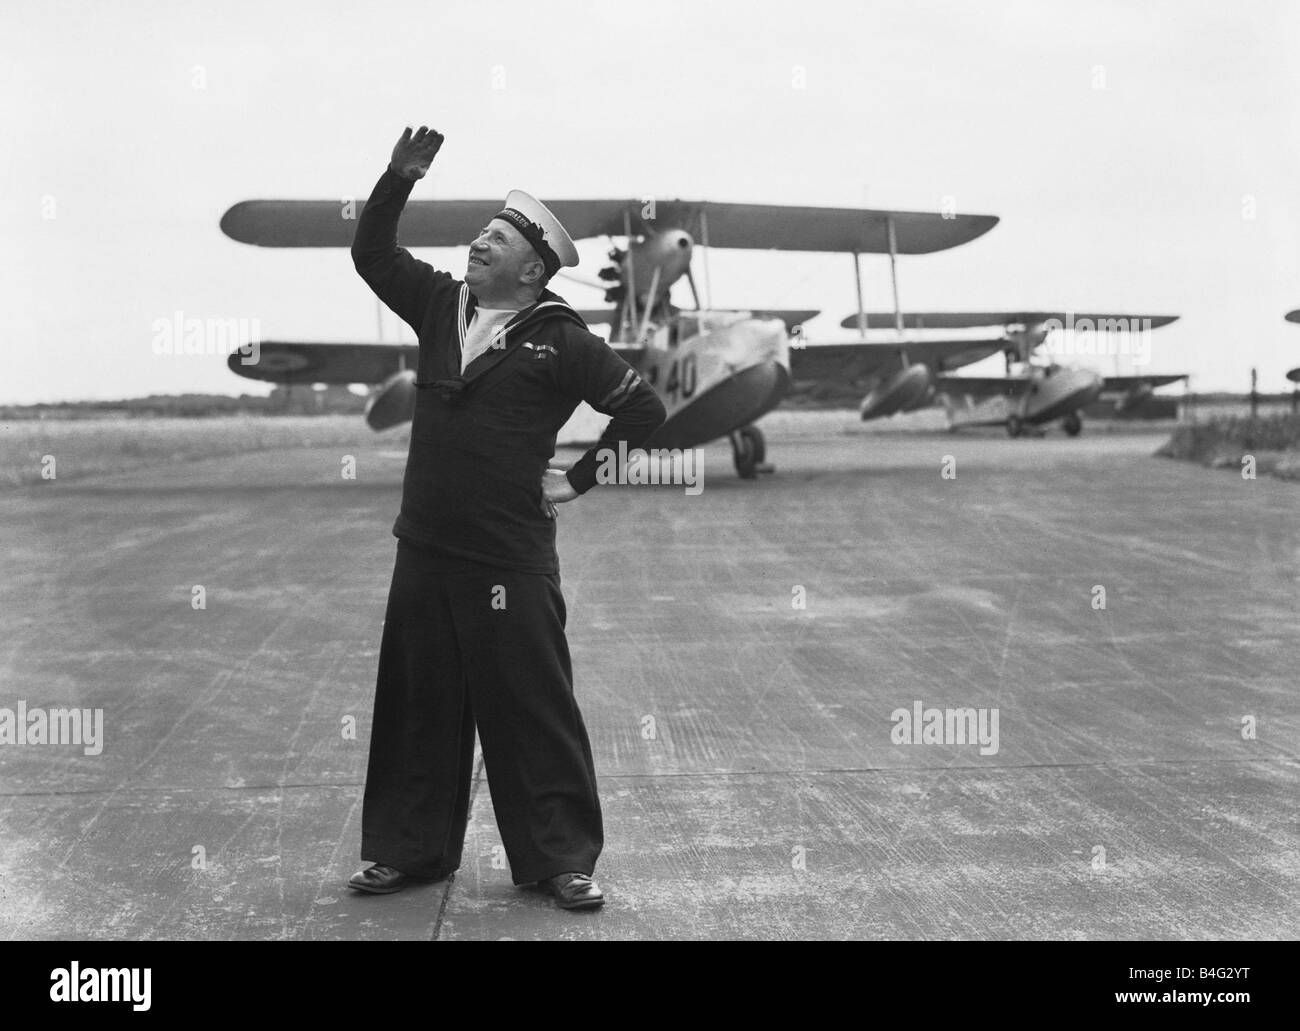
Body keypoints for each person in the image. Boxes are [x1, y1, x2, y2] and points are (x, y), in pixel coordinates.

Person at [347, 125, 666, 910]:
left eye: (493, 240)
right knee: (418, 703)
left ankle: (561, 860)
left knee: (531, 708)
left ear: (532, 267)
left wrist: (583, 478)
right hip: (424, 549)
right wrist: (397, 179)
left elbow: (645, 411)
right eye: (479, 236)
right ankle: (405, 851)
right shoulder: (437, 305)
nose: (475, 247)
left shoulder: (562, 339)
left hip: (508, 557)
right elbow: (372, 256)